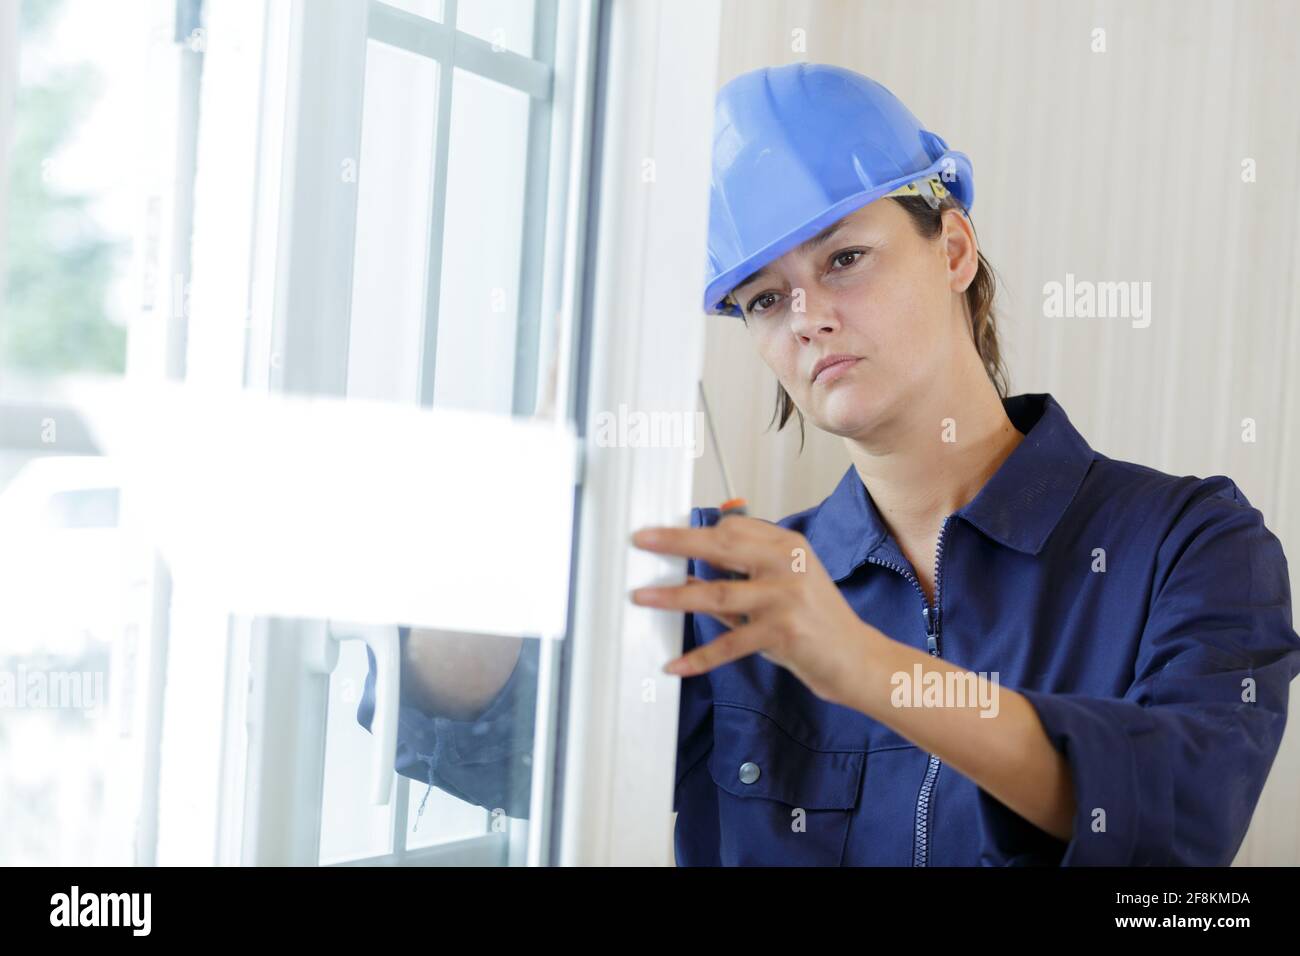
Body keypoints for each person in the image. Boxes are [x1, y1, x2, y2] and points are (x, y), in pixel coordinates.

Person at [362, 62, 1300, 866]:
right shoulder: (730, 581)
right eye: (765, 300)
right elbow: (477, 730)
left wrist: (858, 663)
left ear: (955, 250)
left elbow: (1179, 829)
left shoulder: (1190, 545)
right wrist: (530, 461)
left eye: (845, 258)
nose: (807, 317)